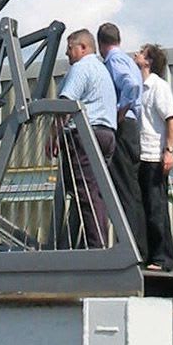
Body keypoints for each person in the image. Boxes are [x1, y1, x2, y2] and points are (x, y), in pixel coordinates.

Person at [53, 29, 117, 248]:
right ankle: (88, 243)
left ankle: (95, 247)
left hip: (85, 135)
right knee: (96, 190)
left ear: (83, 47)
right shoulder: (102, 69)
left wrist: (53, 137)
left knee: (84, 191)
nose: (67, 53)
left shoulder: (81, 68)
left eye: (70, 48)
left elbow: (66, 104)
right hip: (107, 134)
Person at [96, 22, 147, 255]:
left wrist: (120, 110)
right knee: (131, 187)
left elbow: (132, 84)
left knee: (122, 186)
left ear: (100, 44)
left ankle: (130, 246)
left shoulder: (114, 61)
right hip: (134, 126)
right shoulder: (127, 60)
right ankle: (137, 245)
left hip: (124, 125)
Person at [133, 43, 173, 270]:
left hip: (153, 154)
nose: (136, 55)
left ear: (148, 61)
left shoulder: (158, 87)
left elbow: (171, 118)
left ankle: (161, 258)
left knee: (156, 207)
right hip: (140, 155)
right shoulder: (138, 87)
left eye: (141, 53)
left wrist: (168, 151)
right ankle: (151, 256)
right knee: (143, 207)